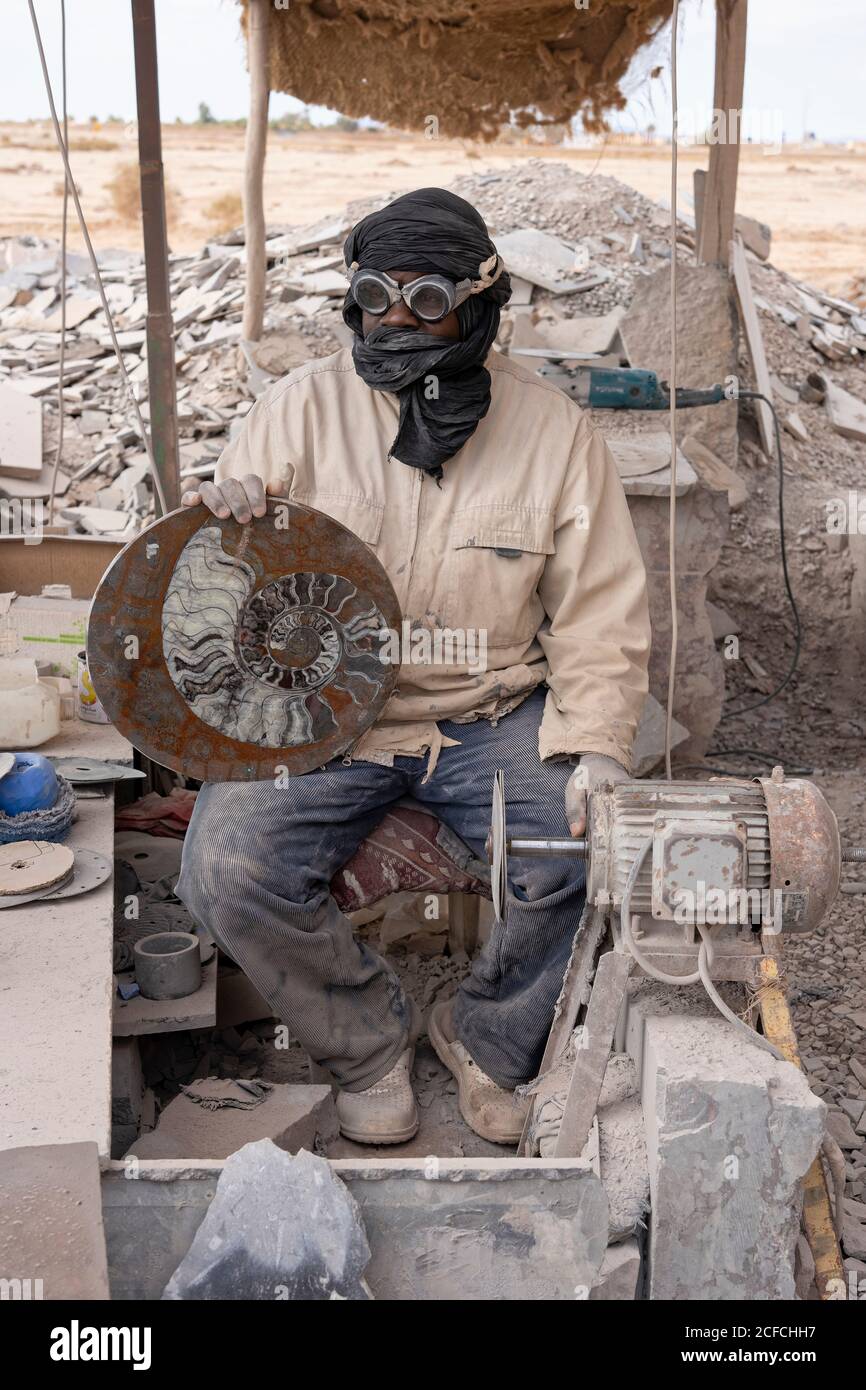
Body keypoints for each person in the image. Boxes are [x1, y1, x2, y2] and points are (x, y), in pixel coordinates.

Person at [176, 187, 651, 1146]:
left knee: (588, 849)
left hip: (492, 708)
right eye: (374, 297)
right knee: (224, 870)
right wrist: (223, 523)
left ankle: (486, 1036)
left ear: (478, 304)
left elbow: (599, 611)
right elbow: (222, 603)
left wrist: (598, 748)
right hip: (323, 717)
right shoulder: (296, 412)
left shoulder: (552, 433)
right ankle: (367, 1044)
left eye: (427, 301)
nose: (396, 321)